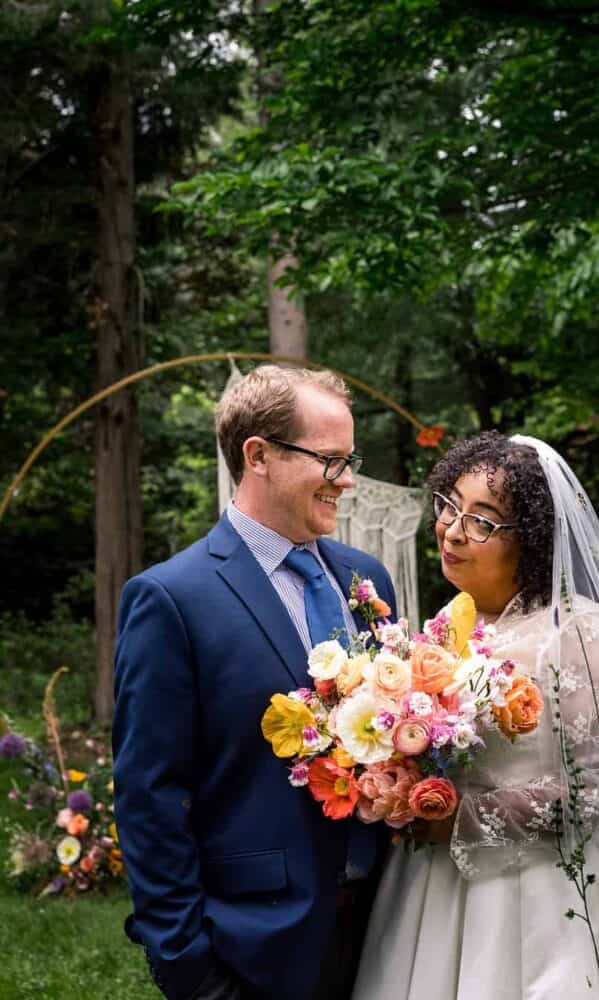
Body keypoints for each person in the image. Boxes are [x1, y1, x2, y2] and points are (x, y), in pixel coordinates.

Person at [353, 432, 599, 1000]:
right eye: (449, 505)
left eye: (482, 520)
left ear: (530, 539)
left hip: (536, 898)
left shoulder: (578, 632)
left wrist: (467, 818)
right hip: (431, 891)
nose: (452, 530)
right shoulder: (446, 628)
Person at [113, 364, 396, 1000]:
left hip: (391, 928)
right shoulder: (171, 598)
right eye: (330, 460)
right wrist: (188, 966)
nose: (347, 480)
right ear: (258, 455)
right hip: (255, 947)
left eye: (350, 459)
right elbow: (148, 797)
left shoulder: (367, 578)